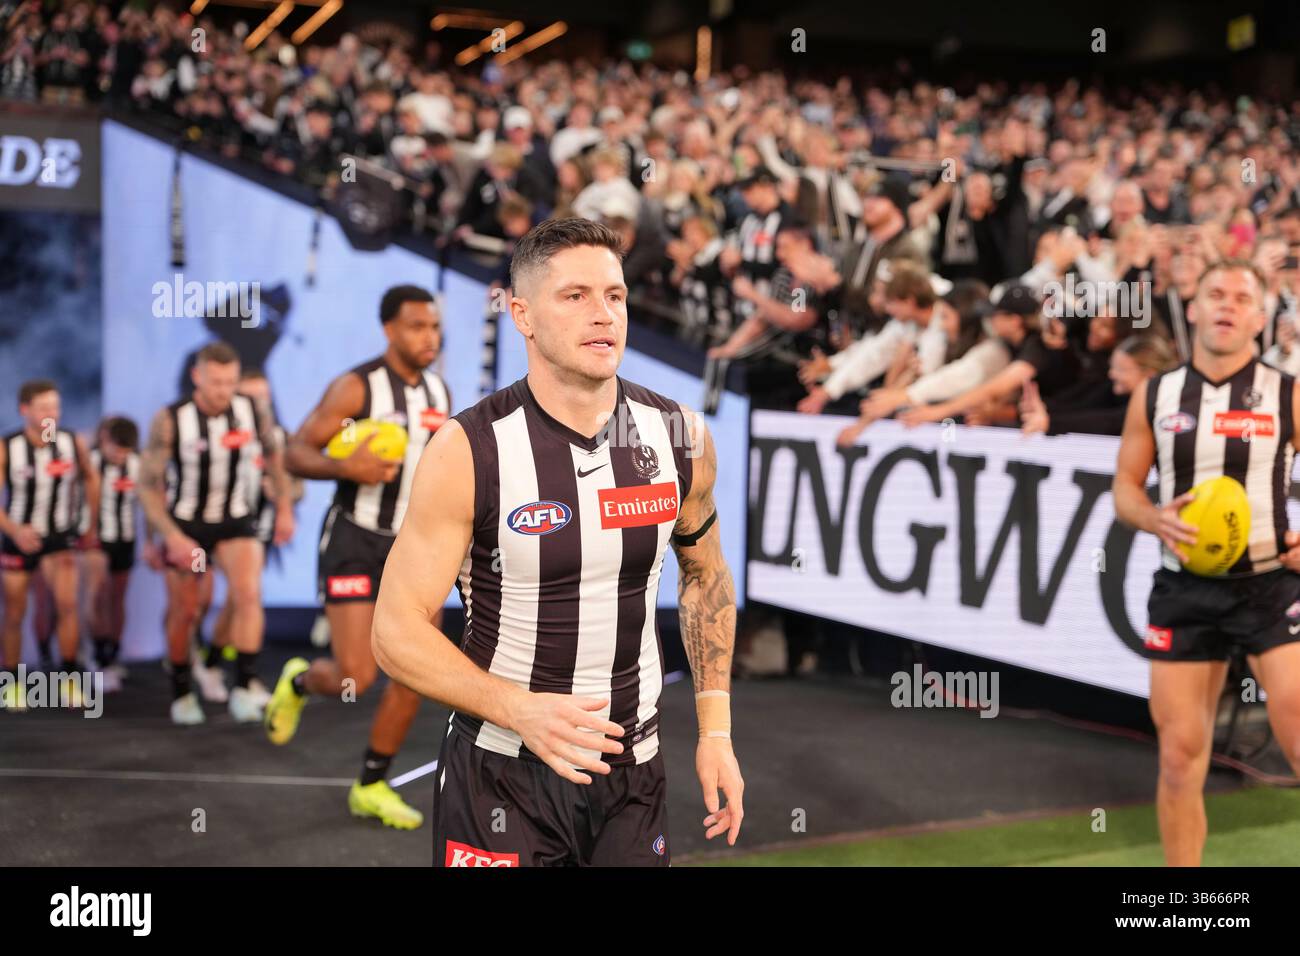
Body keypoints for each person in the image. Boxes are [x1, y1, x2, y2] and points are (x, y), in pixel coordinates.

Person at [373, 219, 744, 866]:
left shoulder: (681, 437)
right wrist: (519, 709)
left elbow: (706, 577)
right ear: (522, 314)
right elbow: (395, 631)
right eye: (575, 296)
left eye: (615, 296)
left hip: (634, 774)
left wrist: (716, 732)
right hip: (502, 775)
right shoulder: (470, 450)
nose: (603, 315)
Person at [1113, 260, 1300, 866]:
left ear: (1260, 316)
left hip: (1271, 585)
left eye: (1242, 298)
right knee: (1177, 756)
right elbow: (1125, 487)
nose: (1227, 305)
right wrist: (1151, 516)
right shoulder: (1156, 392)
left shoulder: (1287, 392)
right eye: (1214, 294)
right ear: (1191, 308)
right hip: (1184, 588)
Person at [267, 285, 451, 830]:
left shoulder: (440, 392)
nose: (429, 338)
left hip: (413, 550)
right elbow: (296, 451)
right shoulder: (356, 387)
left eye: (435, 327)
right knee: (356, 675)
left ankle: (371, 783)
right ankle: (300, 682)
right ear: (389, 330)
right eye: (417, 326)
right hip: (354, 539)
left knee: (416, 674)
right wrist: (348, 468)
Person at [137, 342, 294, 725]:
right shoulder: (171, 419)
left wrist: (285, 508)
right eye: (215, 382)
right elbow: (147, 485)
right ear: (197, 377)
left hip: (235, 520)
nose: (223, 390)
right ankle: (181, 691)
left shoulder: (250, 410)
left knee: (248, 595)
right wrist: (164, 537)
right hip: (187, 526)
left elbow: (275, 460)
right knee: (187, 609)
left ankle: (243, 686)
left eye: (230, 381)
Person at [0, 379, 100, 711]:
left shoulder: (72, 442)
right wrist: (14, 530)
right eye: (43, 408)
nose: (50, 415)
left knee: (68, 605)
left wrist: (89, 523)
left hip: (59, 537)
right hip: (19, 539)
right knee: (15, 612)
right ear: (24, 410)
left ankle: (69, 678)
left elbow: (90, 477)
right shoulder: (8, 447)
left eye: (55, 408)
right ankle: (13, 683)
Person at [83, 415, 142, 692]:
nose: (120, 456)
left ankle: (113, 654)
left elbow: (154, 500)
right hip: (95, 539)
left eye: (125, 451)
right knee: (98, 594)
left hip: (125, 539)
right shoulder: (89, 461)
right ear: (105, 440)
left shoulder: (138, 465)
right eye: (116, 449)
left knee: (118, 597)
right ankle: (99, 657)